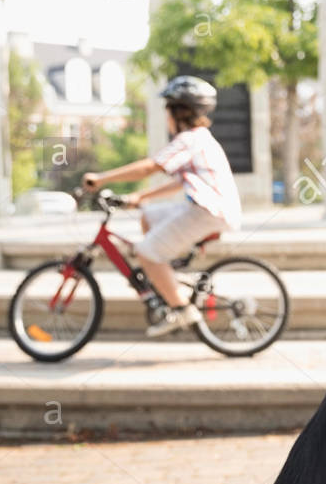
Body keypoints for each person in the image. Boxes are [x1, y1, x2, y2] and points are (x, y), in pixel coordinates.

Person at [82, 75, 242, 337]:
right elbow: (179, 181)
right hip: (207, 209)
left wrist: (101, 178)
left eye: (167, 110)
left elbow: (150, 166)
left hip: (208, 212)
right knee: (148, 216)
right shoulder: (199, 139)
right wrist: (140, 198)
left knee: (146, 252)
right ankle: (163, 275)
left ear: (178, 113)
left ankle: (180, 307)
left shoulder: (190, 139)